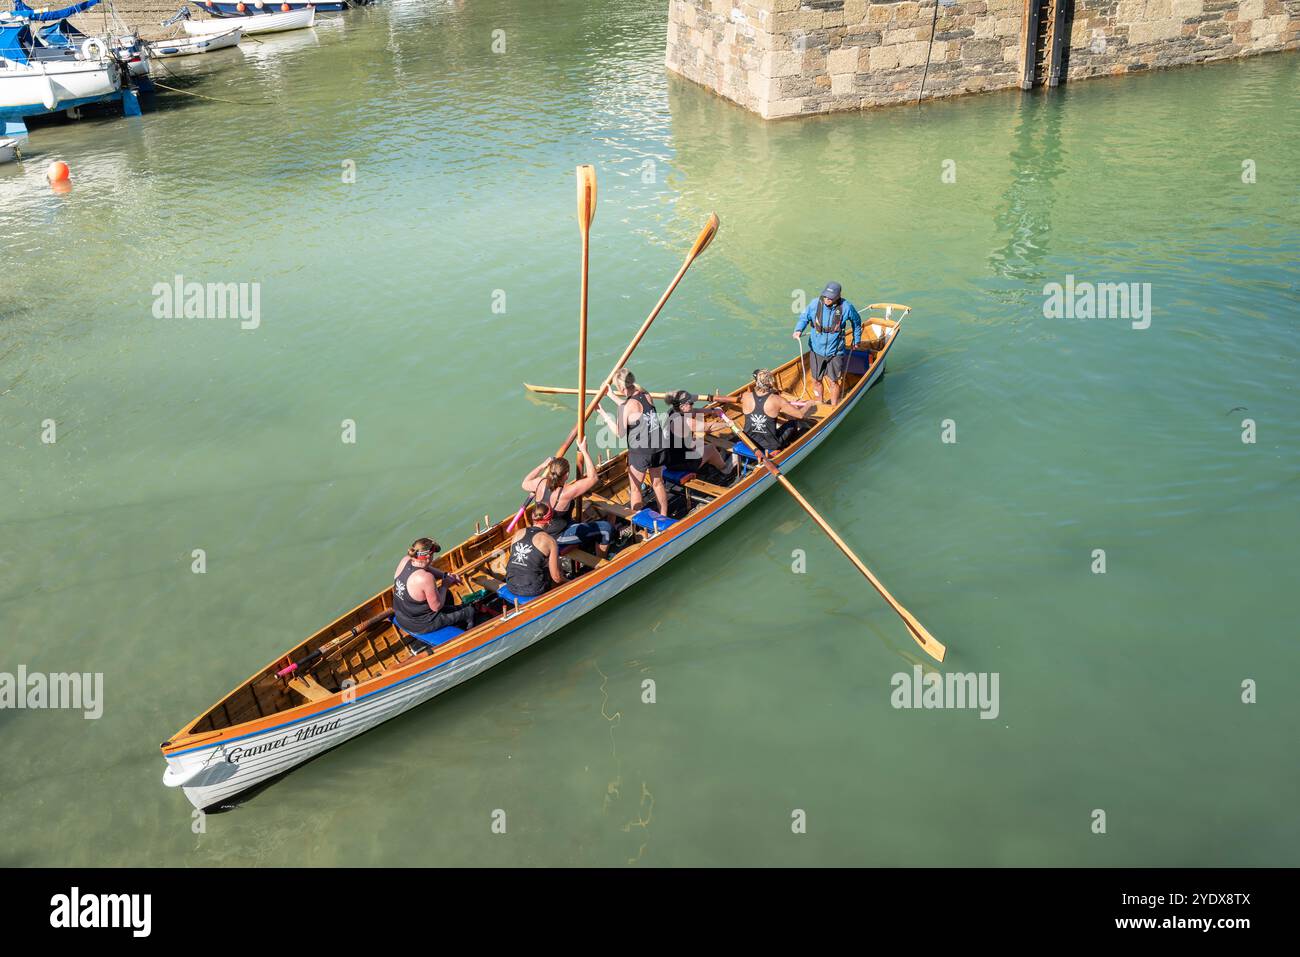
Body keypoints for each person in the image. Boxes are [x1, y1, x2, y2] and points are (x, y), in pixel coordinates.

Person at [519, 437, 614, 556]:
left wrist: (542, 466)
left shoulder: (539, 483)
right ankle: (603, 560)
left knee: (582, 524)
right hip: (557, 537)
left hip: (545, 529)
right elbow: (593, 478)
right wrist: (584, 451)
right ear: (567, 475)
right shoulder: (566, 492)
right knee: (606, 528)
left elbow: (524, 483)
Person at [596, 367, 670, 515]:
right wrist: (610, 395)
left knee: (635, 488)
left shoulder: (626, 407)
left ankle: (638, 525)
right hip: (659, 447)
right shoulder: (646, 394)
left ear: (622, 387)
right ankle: (664, 516)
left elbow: (619, 433)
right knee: (657, 483)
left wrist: (602, 413)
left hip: (641, 452)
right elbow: (630, 408)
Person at [793, 280, 862, 405]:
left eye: (830, 298)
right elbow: (804, 318)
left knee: (833, 381)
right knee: (816, 380)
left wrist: (856, 340)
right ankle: (820, 403)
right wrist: (798, 329)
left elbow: (857, 323)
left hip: (835, 351)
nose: (827, 299)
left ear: (838, 297)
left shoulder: (847, 307)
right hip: (816, 349)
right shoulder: (815, 304)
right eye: (825, 296)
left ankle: (834, 406)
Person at [392, 537, 476, 636]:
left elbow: (426, 567)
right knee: (469, 610)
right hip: (420, 624)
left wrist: (445, 575)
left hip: (401, 616)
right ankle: (468, 634)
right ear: (428, 556)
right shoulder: (426, 578)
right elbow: (436, 607)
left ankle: (452, 621)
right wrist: (445, 585)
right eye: (433, 554)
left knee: (447, 595)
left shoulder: (406, 560)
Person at [663, 390, 735, 484]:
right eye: (691, 403)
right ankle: (725, 470)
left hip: (670, 459)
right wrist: (728, 424)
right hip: (681, 463)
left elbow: (694, 411)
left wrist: (713, 411)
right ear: (682, 406)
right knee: (711, 448)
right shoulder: (685, 421)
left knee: (697, 441)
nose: (693, 404)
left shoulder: (672, 412)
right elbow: (708, 427)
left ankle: (709, 462)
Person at [741, 369, 814, 452]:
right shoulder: (778, 400)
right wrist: (809, 404)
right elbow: (800, 415)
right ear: (770, 382)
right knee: (793, 423)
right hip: (771, 445)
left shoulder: (745, 396)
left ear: (756, 381)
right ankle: (788, 445)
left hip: (748, 440)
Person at [503, 503, 565, 599]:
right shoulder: (550, 541)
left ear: (532, 518)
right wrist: (565, 578)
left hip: (511, 584)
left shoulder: (518, 533)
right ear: (549, 521)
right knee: (554, 574)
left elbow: (515, 558)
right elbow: (556, 578)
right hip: (533, 589)